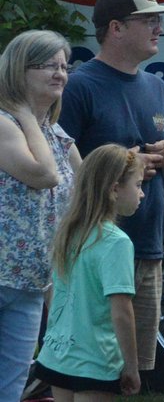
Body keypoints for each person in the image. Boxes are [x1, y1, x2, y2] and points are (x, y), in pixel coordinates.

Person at [58, 0, 164, 381]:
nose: (158, 27)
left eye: (158, 19)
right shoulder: (79, 86)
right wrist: (128, 166)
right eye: (147, 19)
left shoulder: (158, 86)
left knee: (134, 372)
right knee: (89, 369)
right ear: (115, 28)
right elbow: (59, 164)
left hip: (147, 249)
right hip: (94, 252)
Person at [0, 31, 80, 402]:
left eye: (64, 66)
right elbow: (43, 175)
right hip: (2, 275)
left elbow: (85, 191)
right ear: (19, 70)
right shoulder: (5, 124)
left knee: (12, 386)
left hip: (32, 282)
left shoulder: (55, 131)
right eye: (48, 65)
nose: (60, 73)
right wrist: (23, 112)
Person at [34, 143, 143, 401]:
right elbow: (122, 312)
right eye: (138, 185)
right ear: (115, 189)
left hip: (57, 356)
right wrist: (131, 365)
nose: (142, 194)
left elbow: (52, 292)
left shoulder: (68, 232)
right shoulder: (117, 243)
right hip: (96, 361)